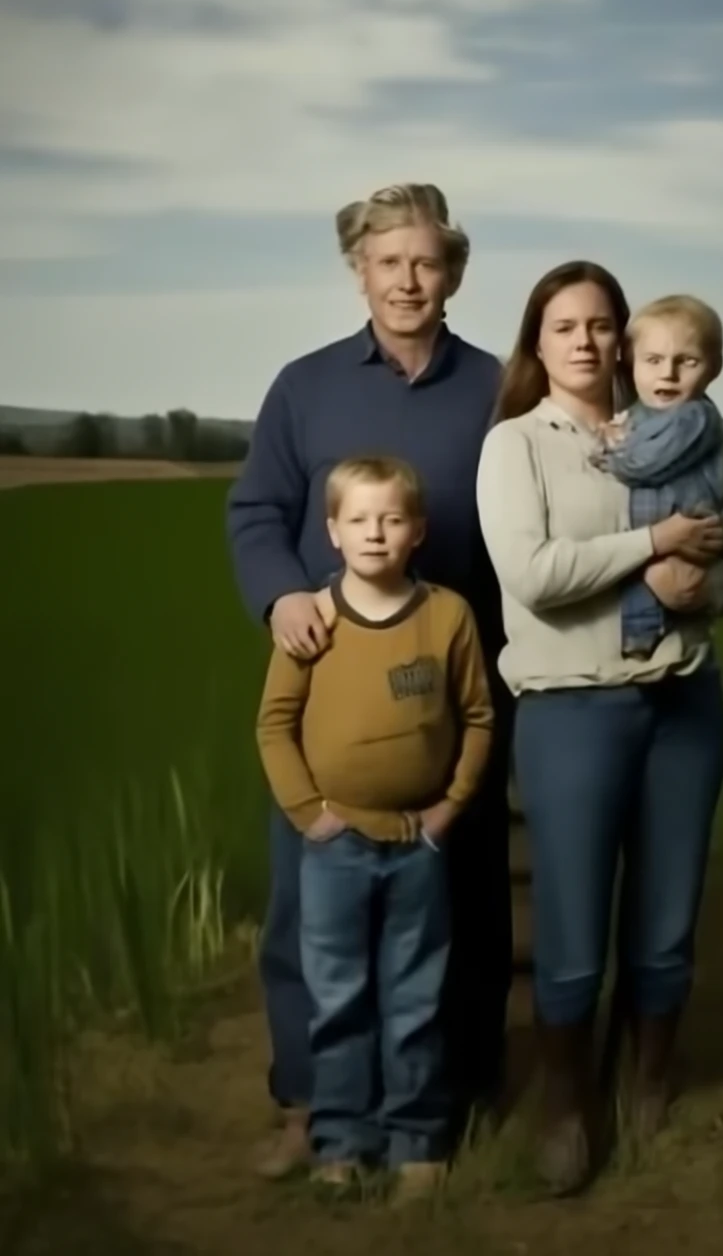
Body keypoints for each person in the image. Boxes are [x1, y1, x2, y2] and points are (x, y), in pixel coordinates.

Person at [226, 183, 512, 1179]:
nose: (407, 280)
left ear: (454, 273)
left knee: (465, 895)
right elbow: (255, 512)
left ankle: (453, 1095)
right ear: (359, 271)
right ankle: (311, 1102)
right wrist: (279, 597)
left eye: (426, 261)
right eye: (388, 262)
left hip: (456, 683)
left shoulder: (498, 386)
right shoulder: (304, 387)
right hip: (330, 696)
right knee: (310, 909)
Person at [475, 261, 723, 1197]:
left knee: (667, 909)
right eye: (564, 325)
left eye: (601, 324)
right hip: (573, 710)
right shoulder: (516, 445)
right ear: (537, 341)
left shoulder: (670, 430)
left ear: (624, 341)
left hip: (686, 705)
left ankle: (648, 1079)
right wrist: (656, 545)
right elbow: (535, 575)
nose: (585, 341)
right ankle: (568, 1104)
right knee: (571, 918)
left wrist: (704, 586)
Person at [255, 456, 493, 1200]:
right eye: (358, 519)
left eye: (391, 519)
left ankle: (416, 1137)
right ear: (332, 531)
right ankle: (342, 1141)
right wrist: (310, 816)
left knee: (415, 995)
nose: (375, 533)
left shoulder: (447, 616)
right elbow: (273, 725)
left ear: (417, 530)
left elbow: (479, 718)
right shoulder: (314, 619)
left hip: (418, 844)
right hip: (335, 850)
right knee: (338, 998)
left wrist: (449, 808)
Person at [591, 293, 723, 658]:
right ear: (630, 361)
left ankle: (643, 639)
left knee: (665, 589)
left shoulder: (695, 416)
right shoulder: (641, 414)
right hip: (659, 534)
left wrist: (610, 451)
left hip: (688, 527)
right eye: (653, 360)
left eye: (687, 361)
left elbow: (646, 464)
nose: (668, 373)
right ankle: (641, 640)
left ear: (713, 368)